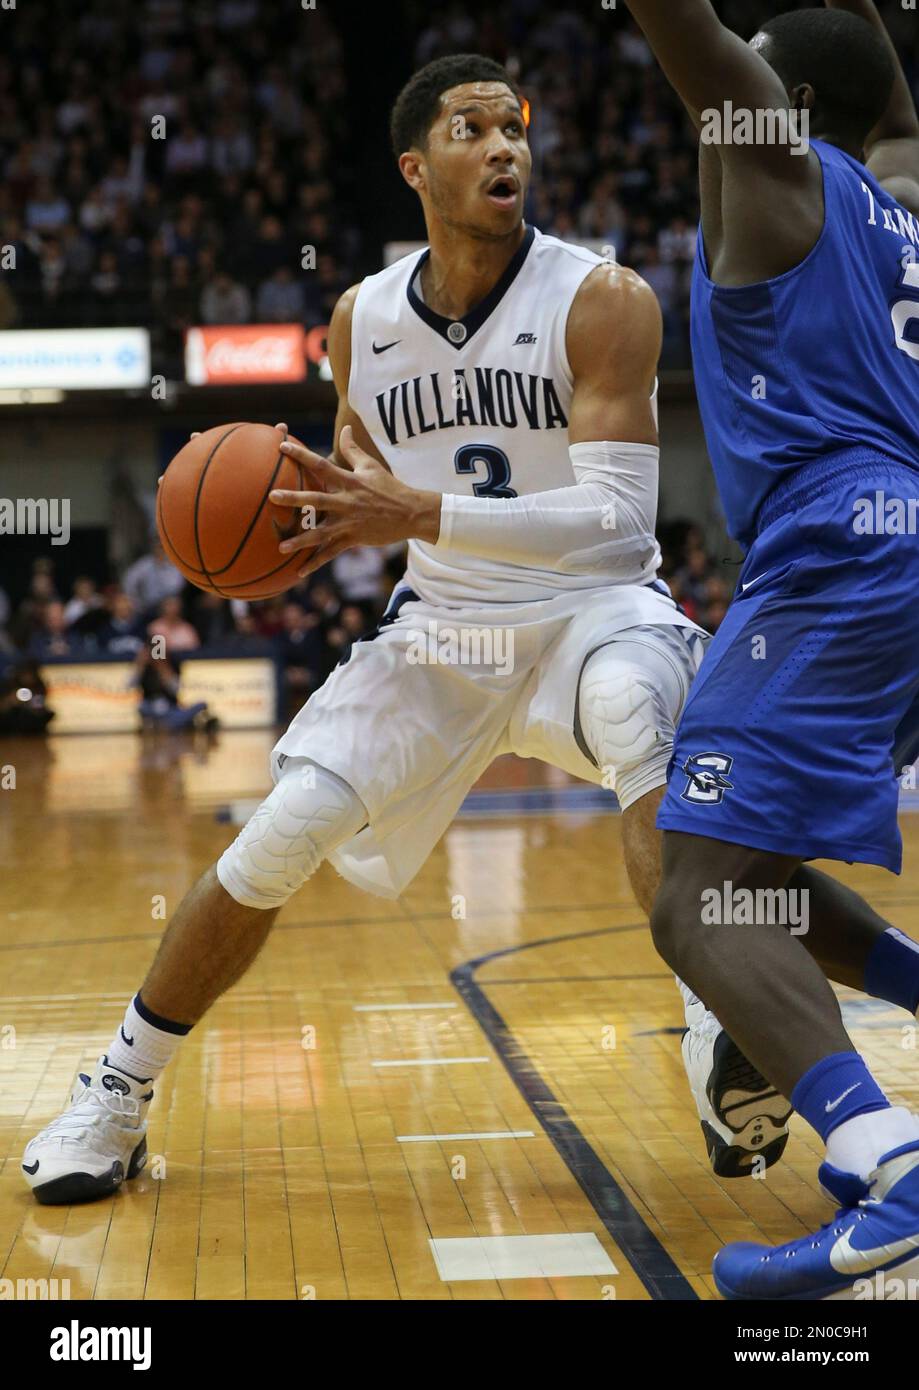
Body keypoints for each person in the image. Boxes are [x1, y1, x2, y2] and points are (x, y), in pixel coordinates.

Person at [21, 52, 715, 1207]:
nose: (504, 147)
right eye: (469, 129)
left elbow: (616, 518)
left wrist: (414, 511)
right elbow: (364, 471)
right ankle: (118, 1089)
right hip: (443, 626)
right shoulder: (360, 319)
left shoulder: (604, 297)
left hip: (595, 606)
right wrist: (335, 521)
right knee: (280, 831)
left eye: (514, 127)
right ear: (413, 166)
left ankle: (715, 1028)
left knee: (636, 711)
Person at [619, 0, 919, 1298]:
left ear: (770, 99)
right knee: (744, 871)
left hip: (840, 550)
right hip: (898, 543)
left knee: (690, 894)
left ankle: (888, 1156)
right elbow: (892, 115)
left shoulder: (780, 176)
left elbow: (694, 45)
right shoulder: (897, 194)